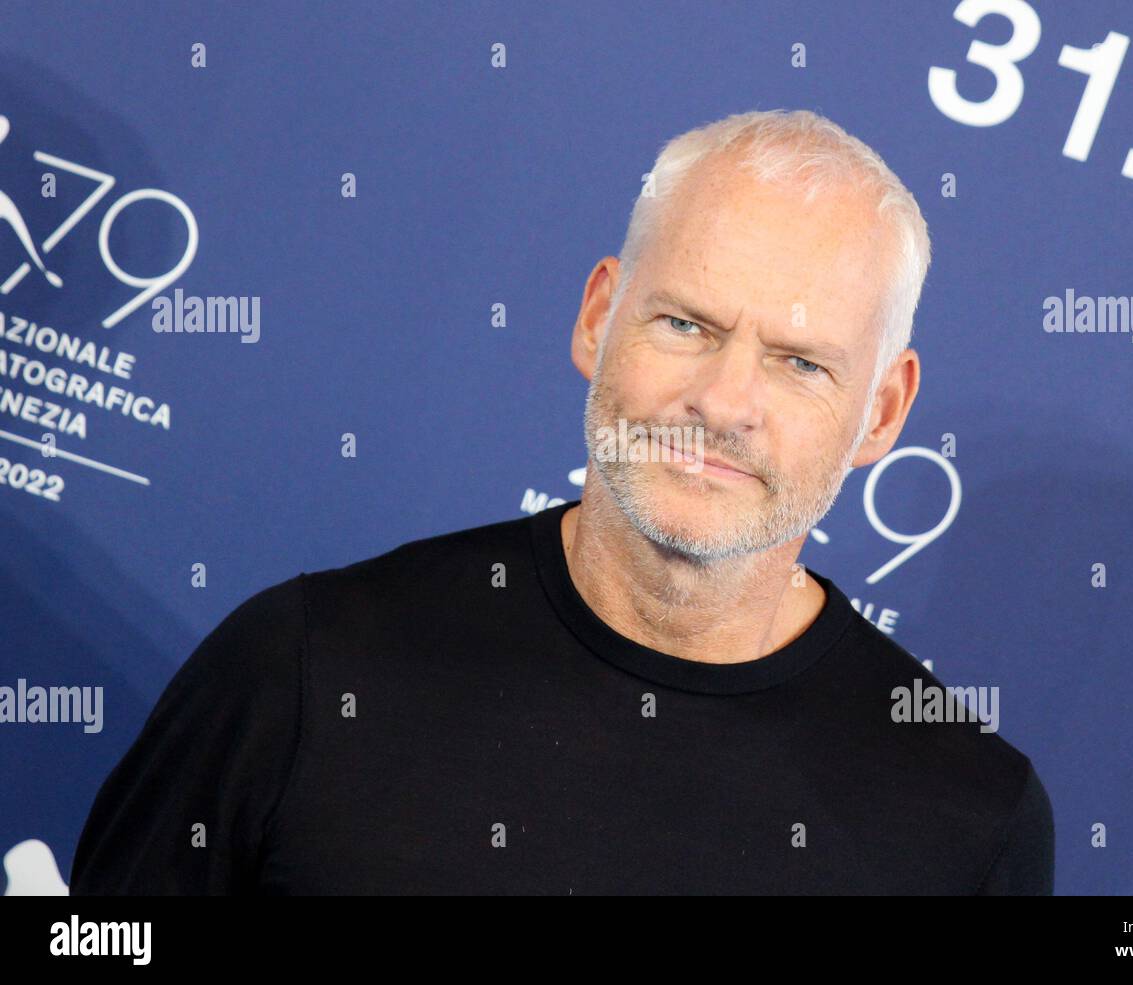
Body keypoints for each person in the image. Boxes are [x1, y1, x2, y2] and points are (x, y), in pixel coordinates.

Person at [70, 108, 1054, 895]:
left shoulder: (968, 814)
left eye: (799, 363)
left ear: (880, 413)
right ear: (598, 318)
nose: (720, 403)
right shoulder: (302, 665)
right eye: (684, 322)